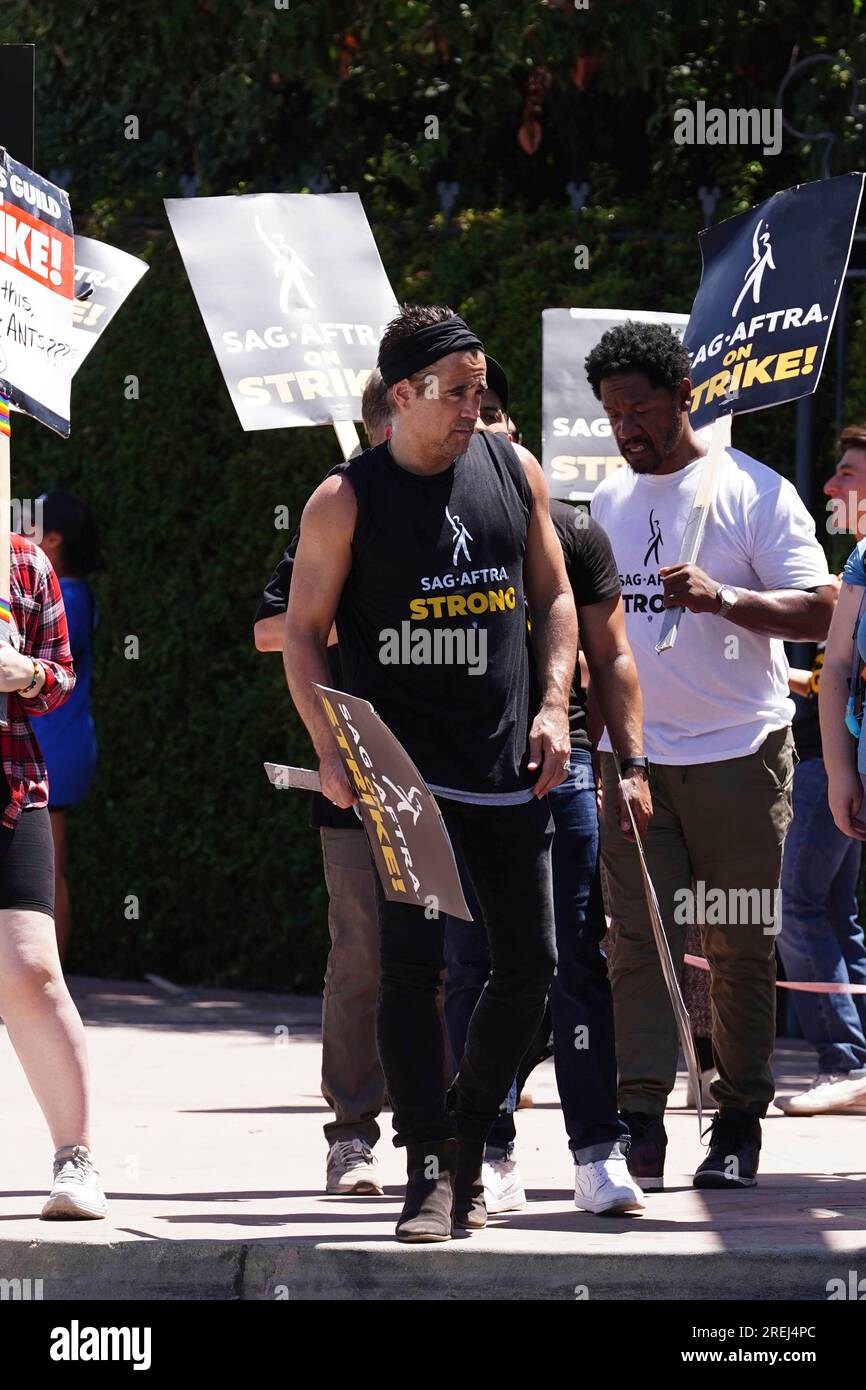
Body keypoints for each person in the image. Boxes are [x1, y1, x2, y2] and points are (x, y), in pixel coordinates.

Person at [285, 304, 577, 1241]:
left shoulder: (515, 470)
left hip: (506, 766)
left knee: (530, 967)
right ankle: (426, 1171)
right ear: (403, 395)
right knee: (410, 973)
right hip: (402, 775)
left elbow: (555, 594)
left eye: (479, 391)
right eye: (455, 393)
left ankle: (467, 1135)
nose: (473, 409)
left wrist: (553, 704)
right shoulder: (344, 498)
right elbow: (301, 633)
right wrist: (332, 746)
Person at [587, 321, 834, 1191]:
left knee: (738, 943)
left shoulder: (755, 492)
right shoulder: (607, 503)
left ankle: (737, 1123)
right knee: (638, 943)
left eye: (640, 408)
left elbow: (824, 610)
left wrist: (724, 598)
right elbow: (599, 640)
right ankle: (640, 1121)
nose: (627, 428)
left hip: (741, 755)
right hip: (637, 763)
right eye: (613, 414)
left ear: (683, 397)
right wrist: (603, 747)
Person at [443, 359, 652, 1216]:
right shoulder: (425, 523)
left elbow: (614, 656)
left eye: (495, 410)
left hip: (558, 773)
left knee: (576, 960)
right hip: (460, 781)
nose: (483, 424)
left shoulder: (573, 529)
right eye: (468, 409)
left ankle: (598, 1152)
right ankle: (488, 1148)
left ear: (518, 433)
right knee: (473, 963)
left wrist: (631, 766)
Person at [254, 369, 392, 1195]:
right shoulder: (338, 505)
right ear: (390, 420)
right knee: (361, 954)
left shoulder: (474, 501)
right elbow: (273, 630)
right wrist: (351, 608)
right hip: (355, 772)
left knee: (463, 957)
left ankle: (464, 1134)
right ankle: (352, 1135)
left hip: (458, 770)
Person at [0, 528, 107, 1218]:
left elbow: (59, 675)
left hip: (10, 787)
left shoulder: (23, 560)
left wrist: (26, 673)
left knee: (33, 969)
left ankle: (76, 1158)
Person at [772, 427, 866, 1116]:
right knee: (829, 908)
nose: (831, 486)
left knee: (797, 905)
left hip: (823, 766)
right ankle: (854, 1065)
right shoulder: (857, 562)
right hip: (836, 764)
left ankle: (846, 1060)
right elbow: (835, 674)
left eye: (848, 474)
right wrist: (843, 772)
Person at [27, 491, 103, 963]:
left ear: (52, 539)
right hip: (55, 744)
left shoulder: (66, 596)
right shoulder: (68, 591)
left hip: (51, 749)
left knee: (45, 874)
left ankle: (46, 981)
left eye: (28, 523)